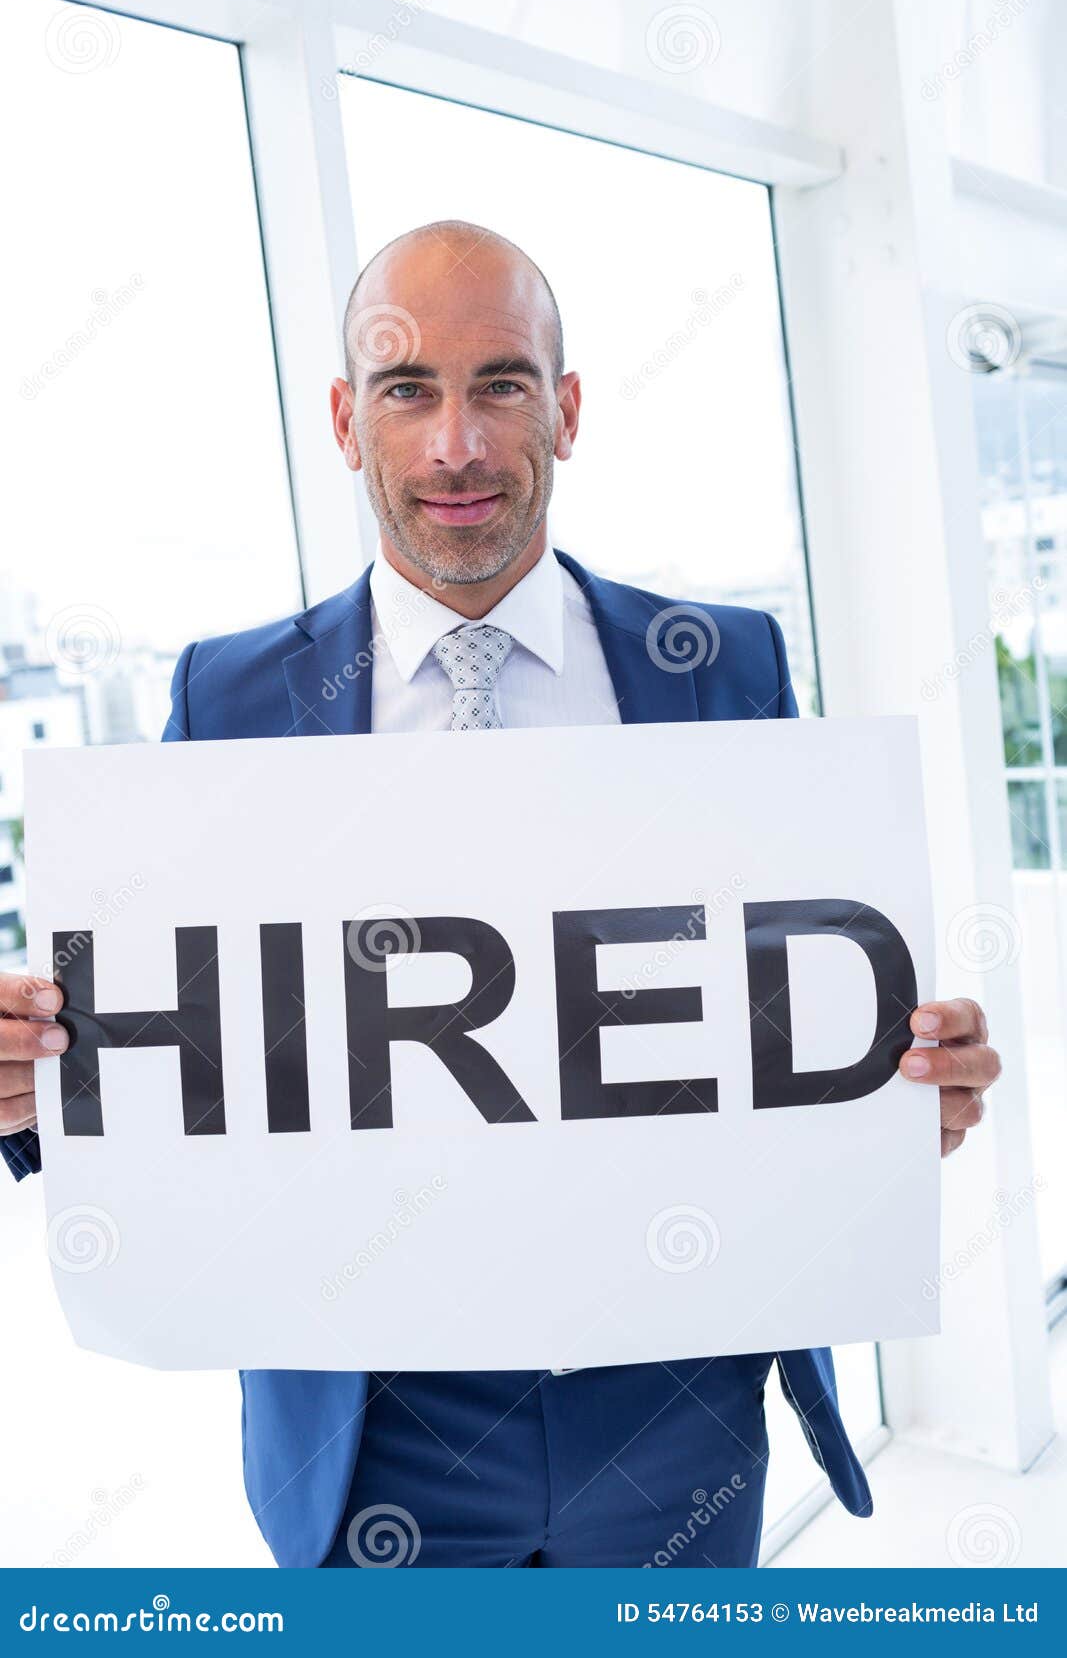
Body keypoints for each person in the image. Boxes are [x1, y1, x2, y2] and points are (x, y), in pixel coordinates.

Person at [0, 220, 1001, 1569]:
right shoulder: (229, 700)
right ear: (350, 422)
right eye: (409, 390)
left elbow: (790, 999)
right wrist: (37, 1081)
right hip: (377, 1433)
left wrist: (894, 1089)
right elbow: (186, 1037)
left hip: (675, 1410)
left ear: (567, 410)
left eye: (502, 384)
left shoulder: (718, 669)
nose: (456, 444)